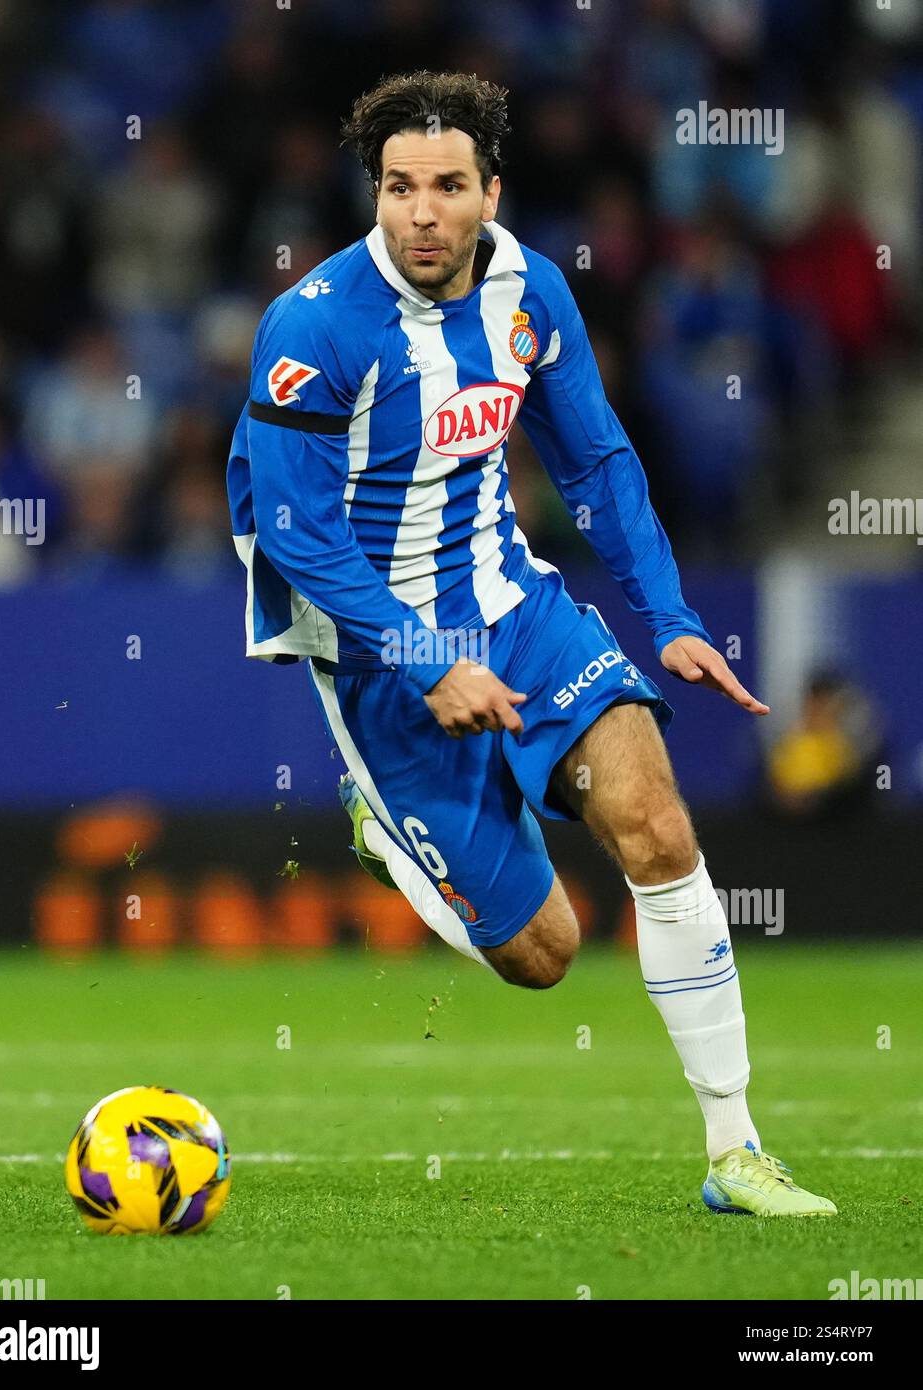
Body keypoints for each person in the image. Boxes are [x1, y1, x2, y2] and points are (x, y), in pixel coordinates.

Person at [227, 71, 835, 1217]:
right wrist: (421, 657)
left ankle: (735, 1149)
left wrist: (675, 622)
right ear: (377, 194)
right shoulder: (312, 324)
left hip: (519, 606)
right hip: (377, 652)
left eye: (448, 187)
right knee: (544, 954)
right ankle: (385, 823)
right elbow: (299, 536)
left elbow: (596, 460)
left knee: (656, 826)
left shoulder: (531, 292)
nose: (421, 212)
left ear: (489, 191)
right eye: (400, 187)